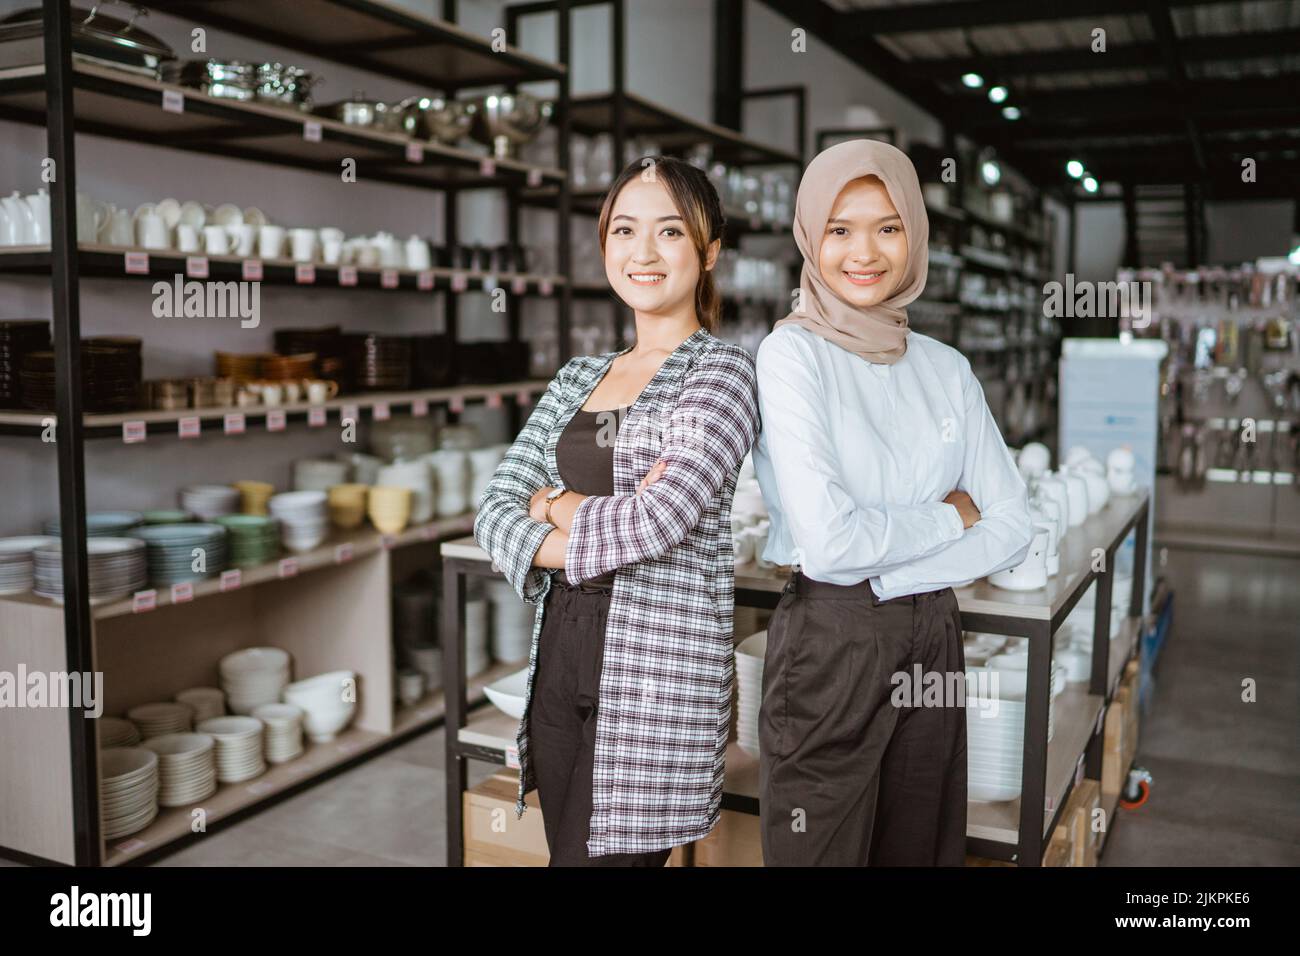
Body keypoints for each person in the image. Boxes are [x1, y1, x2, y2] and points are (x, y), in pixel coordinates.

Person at [753, 139, 1033, 866]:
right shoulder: (792, 356)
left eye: (888, 226)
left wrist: (895, 569)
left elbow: (1013, 524)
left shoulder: (947, 368)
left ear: (915, 232)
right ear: (811, 237)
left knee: (922, 843)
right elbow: (830, 543)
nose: (864, 252)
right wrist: (950, 517)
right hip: (831, 639)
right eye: (840, 229)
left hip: (935, 630)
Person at [473, 155, 760, 864]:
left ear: (709, 250)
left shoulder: (722, 373)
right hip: (562, 654)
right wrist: (575, 514)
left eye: (669, 233)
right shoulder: (578, 375)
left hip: (653, 678)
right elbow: (493, 507)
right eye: (625, 230)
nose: (643, 252)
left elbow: (659, 520)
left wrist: (555, 502)